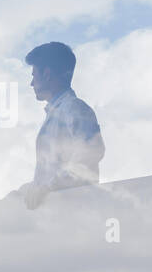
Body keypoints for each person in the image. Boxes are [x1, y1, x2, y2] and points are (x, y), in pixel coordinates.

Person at [10, 41, 105, 209]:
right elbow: (47, 176)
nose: (31, 83)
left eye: (34, 75)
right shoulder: (59, 112)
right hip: (57, 212)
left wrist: (49, 187)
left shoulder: (74, 108)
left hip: (74, 211)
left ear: (47, 74)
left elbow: (90, 153)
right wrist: (23, 192)